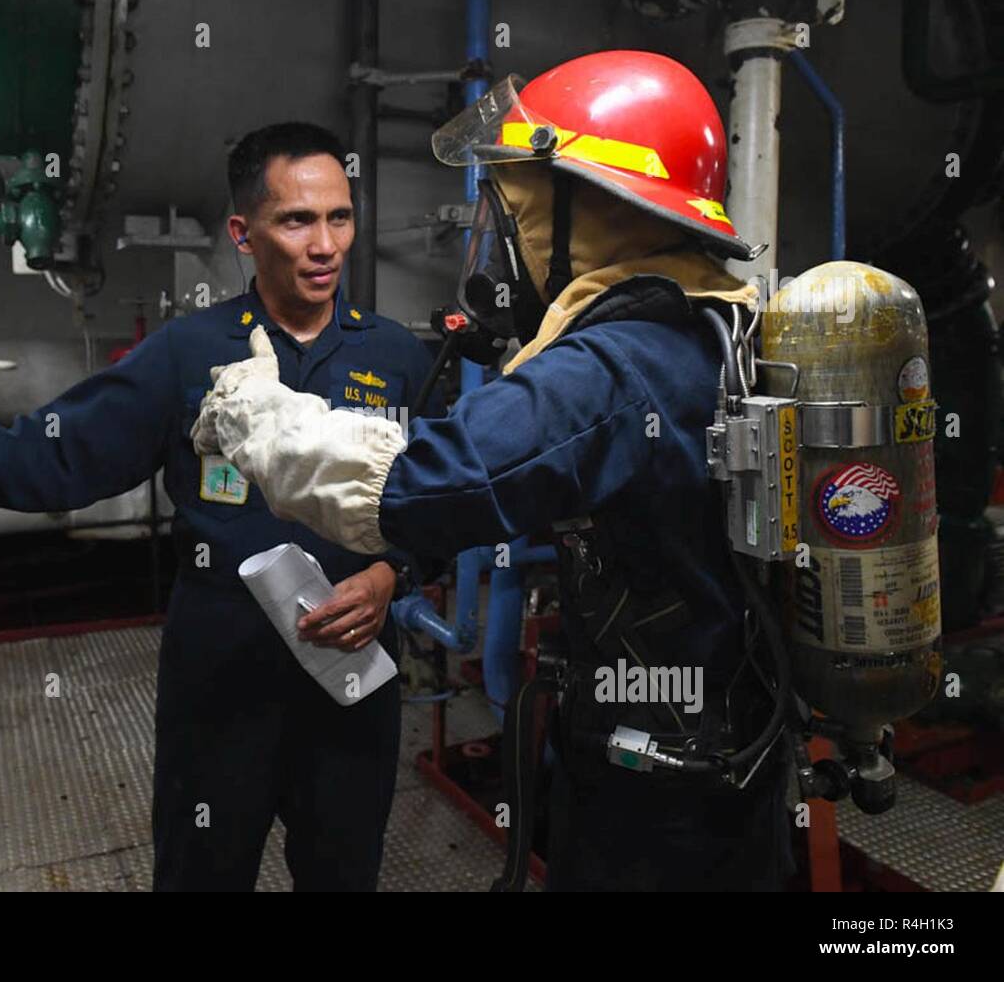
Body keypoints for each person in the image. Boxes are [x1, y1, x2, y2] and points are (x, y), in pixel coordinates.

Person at [193, 52, 797, 891]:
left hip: (661, 792)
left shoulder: (615, 365)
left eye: (513, 203)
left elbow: (422, 488)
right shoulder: (706, 320)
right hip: (724, 744)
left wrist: (259, 416)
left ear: (581, 204)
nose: (500, 235)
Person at [0, 122, 440, 892]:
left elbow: (443, 502)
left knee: (343, 875)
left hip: (351, 676)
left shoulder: (396, 356)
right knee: (202, 871)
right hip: (223, 673)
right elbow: (56, 455)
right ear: (243, 232)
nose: (325, 243)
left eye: (339, 217)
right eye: (296, 220)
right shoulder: (189, 353)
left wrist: (392, 577)